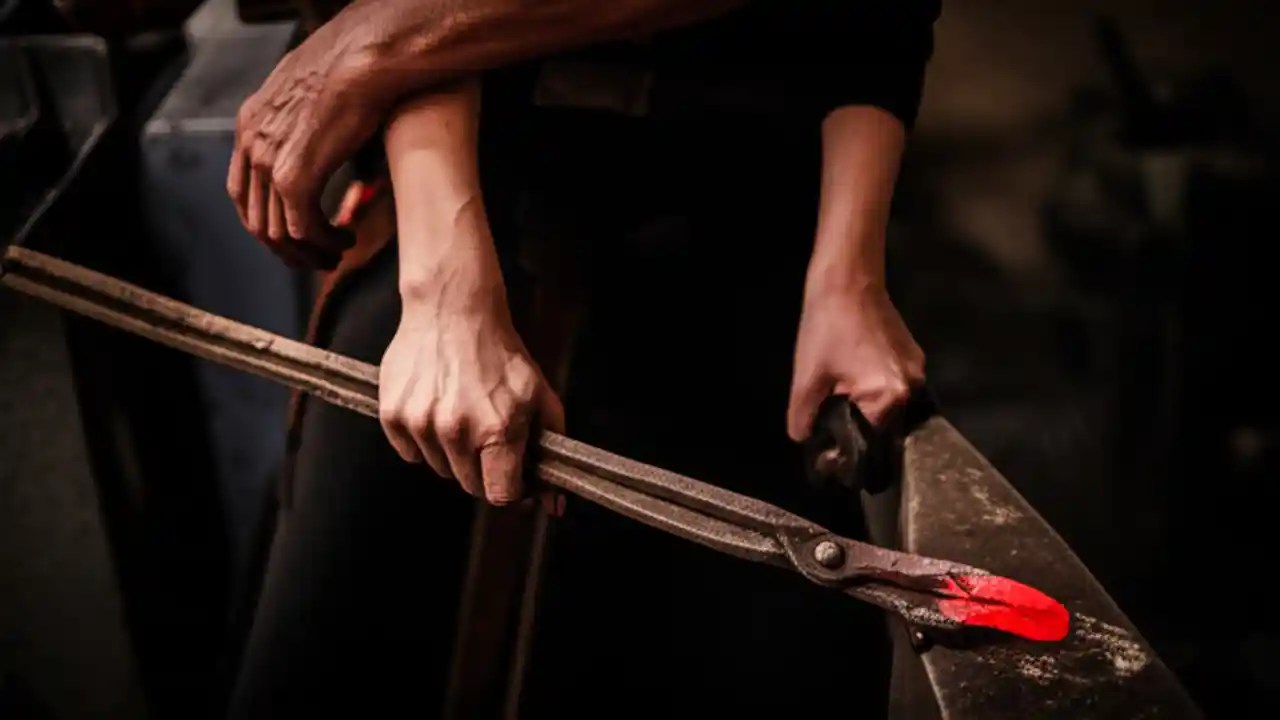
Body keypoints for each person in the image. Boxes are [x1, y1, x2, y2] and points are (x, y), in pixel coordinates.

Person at [226, 0, 938, 716]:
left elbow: (878, 25)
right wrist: (446, 294)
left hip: (746, 228)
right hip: (459, 210)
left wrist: (849, 277)